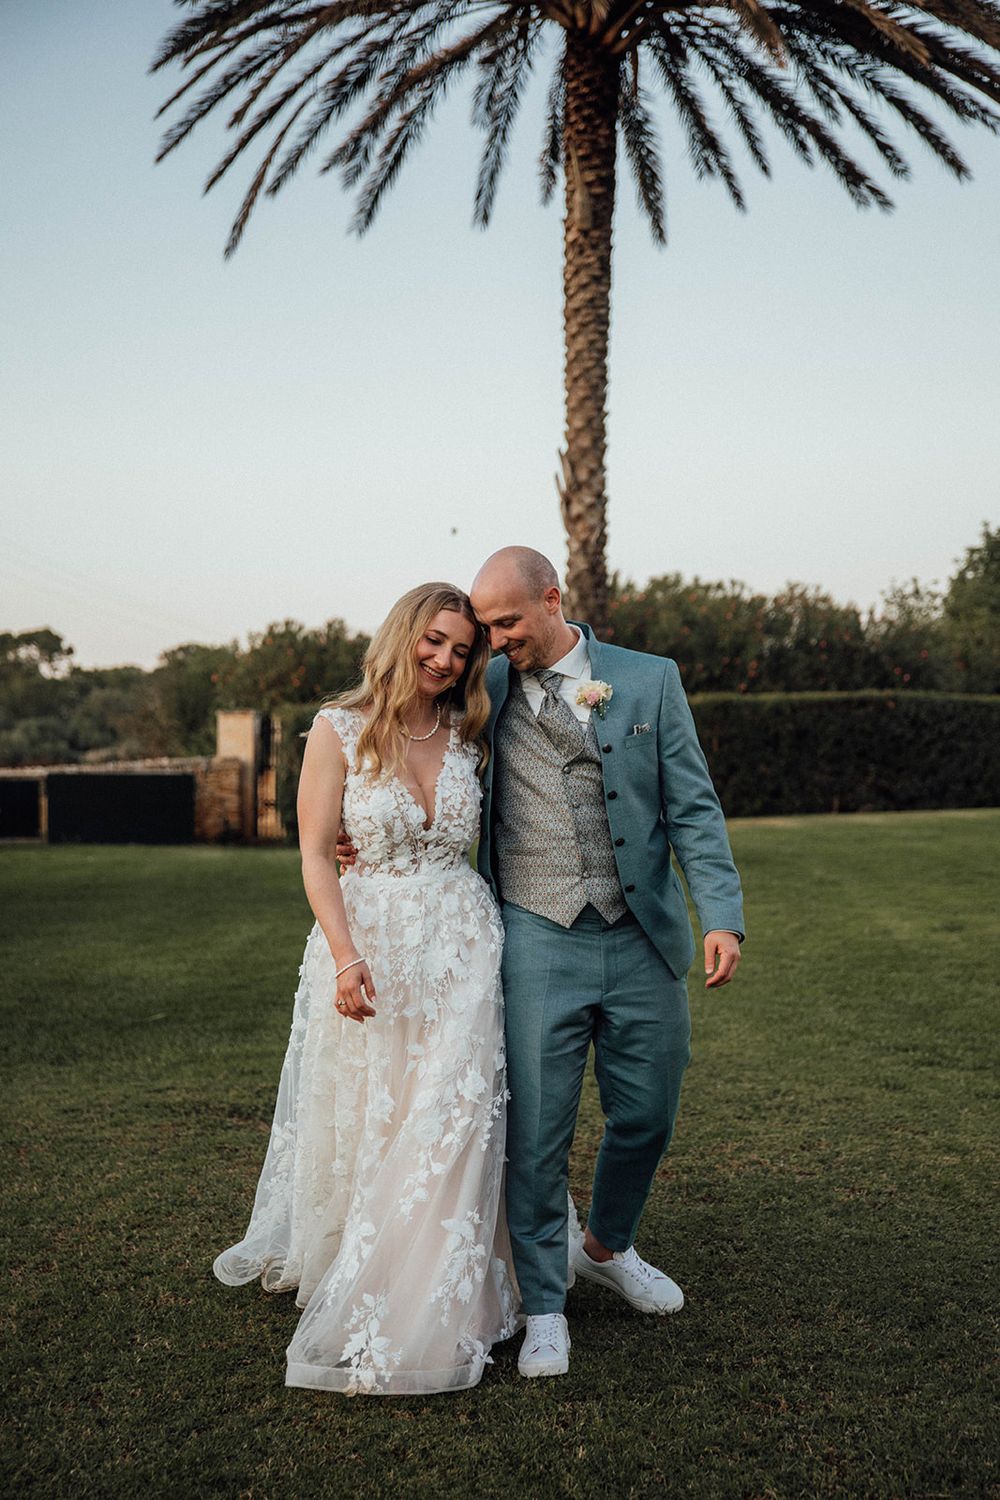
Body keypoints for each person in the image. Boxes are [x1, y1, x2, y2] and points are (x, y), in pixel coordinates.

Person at [213, 583, 519, 1396]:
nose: (446, 661)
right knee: (375, 1103)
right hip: (369, 942)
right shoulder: (337, 728)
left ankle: (443, 1274)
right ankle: (366, 1254)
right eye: (436, 643)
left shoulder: (470, 730)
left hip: (462, 944)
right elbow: (317, 853)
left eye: (462, 651)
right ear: (404, 635)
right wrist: (347, 958)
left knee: (452, 1107)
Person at [468, 547, 745, 1379]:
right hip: (536, 934)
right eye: (484, 626)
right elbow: (406, 751)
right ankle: (546, 1306)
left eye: (506, 622)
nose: (493, 639)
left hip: (640, 935)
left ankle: (607, 1245)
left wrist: (720, 916)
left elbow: (693, 807)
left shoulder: (649, 679)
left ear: (552, 600)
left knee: (648, 1111)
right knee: (537, 1130)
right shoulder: (480, 689)